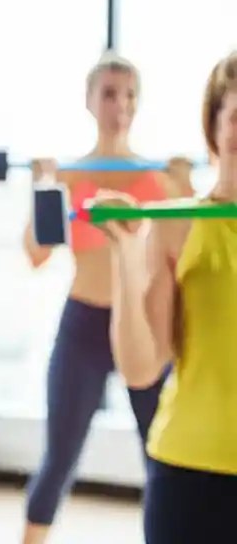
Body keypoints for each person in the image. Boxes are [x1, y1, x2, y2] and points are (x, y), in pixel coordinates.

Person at [20, 51, 188, 544]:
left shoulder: (159, 180)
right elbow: (37, 254)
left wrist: (185, 187)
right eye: (110, 94)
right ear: (89, 101)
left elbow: (189, 253)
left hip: (144, 328)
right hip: (83, 328)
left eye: (130, 95)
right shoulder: (69, 178)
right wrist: (42, 186)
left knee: (163, 459)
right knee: (59, 460)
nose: (121, 105)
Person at [99, 51, 237, 544]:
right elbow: (141, 368)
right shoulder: (177, 223)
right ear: (215, 127)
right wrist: (125, 253)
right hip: (189, 474)